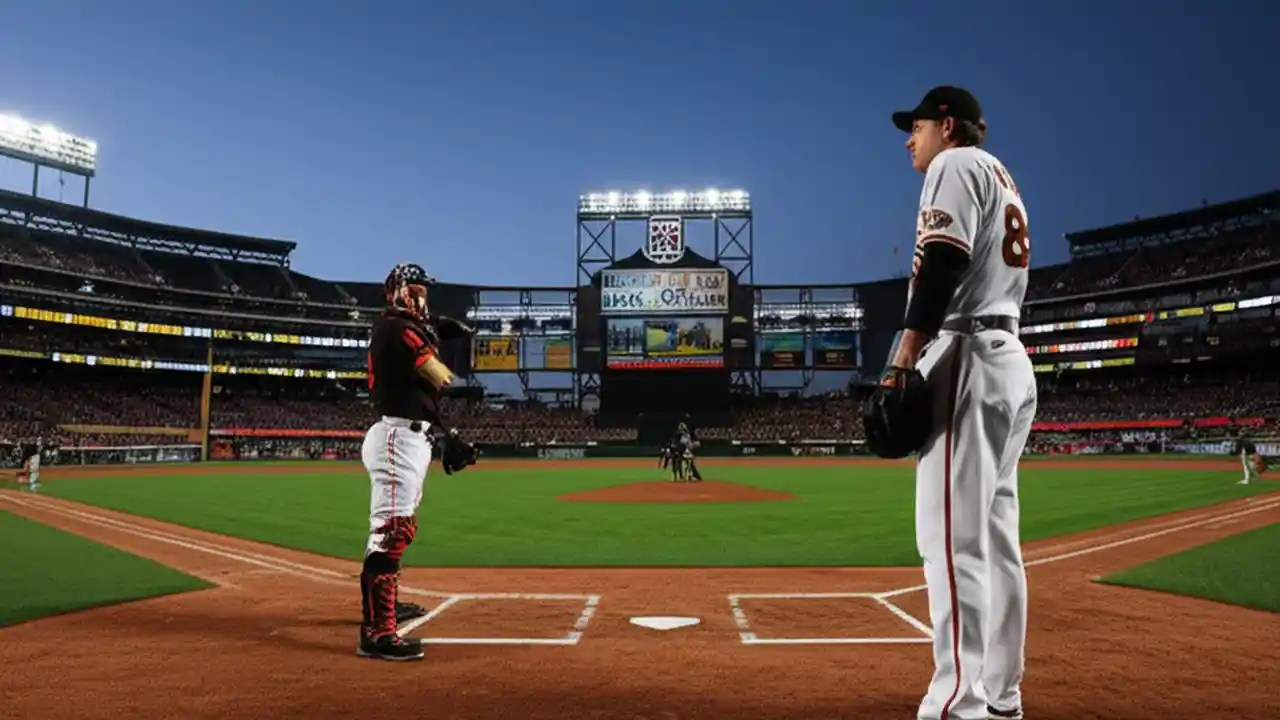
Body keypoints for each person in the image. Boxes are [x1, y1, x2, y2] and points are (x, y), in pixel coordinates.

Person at [884, 86, 1037, 720]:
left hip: (970, 353)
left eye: (915, 126)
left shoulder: (953, 165)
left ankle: (957, 704)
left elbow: (941, 266)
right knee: (996, 542)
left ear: (947, 126)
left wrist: (901, 359)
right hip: (1010, 358)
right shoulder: (1001, 176)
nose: (908, 139)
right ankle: (1001, 697)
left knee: (949, 541)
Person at [358, 262, 477, 661]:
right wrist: (446, 341)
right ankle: (378, 632)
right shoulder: (397, 328)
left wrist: (445, 434)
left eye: (425, 290)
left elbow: (422, 364)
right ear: (398, 291)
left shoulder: (398, 326)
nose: (422, 295)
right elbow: (437, 375)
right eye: (417, 288)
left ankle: (383, 608)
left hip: (408, 436)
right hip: (398, 437)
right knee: (393, 530)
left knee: (391, 528)